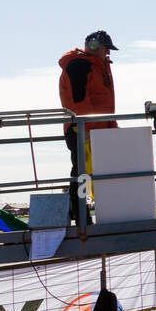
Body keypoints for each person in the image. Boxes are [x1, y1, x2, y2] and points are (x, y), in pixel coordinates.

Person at [58, 30, 119, 224]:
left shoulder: (98, 66)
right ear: (93, 46)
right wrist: (87, 129)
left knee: (89, 173)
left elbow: (103, 102)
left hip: (95, 130)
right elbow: (79, 101)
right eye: (105, 48)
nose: (108, 53)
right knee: (82, 174)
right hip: (82, 130)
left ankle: (81, 211)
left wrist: (111, 126)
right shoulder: (79, 65)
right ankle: (79, 213)